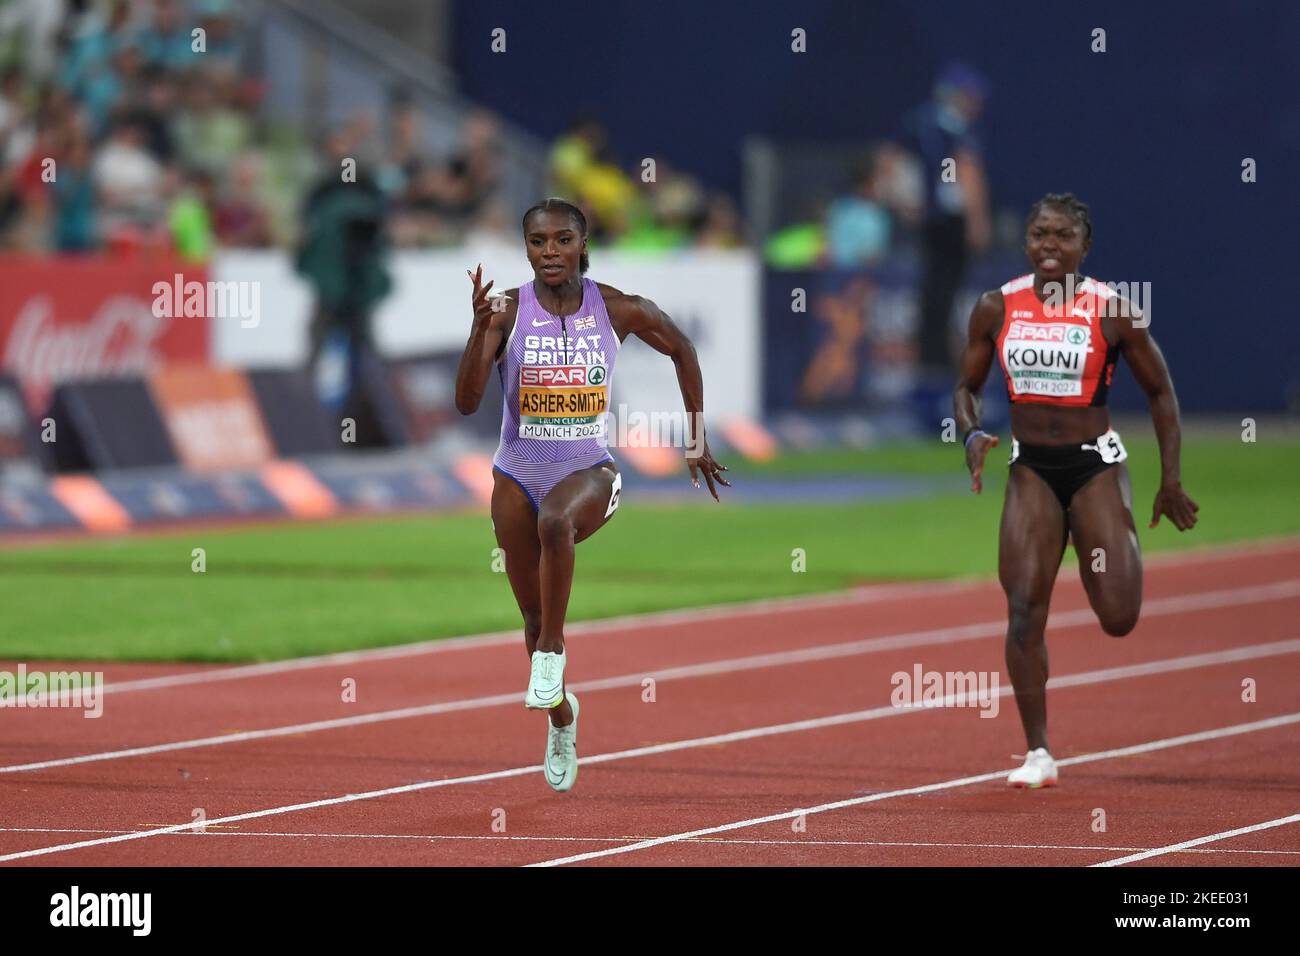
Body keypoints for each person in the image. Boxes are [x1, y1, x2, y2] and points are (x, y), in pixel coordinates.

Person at [454, 197, 729, 792]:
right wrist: (478, 332)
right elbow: (467, 403)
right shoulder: (505, 310)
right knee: (531, 617)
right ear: (526, 248)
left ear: (583, 244)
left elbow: (683, 349)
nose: (549, 252)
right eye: (537, 242)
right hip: (515, 472)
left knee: (557, 524)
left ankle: (553, 652)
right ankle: (562, 718)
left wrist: (695, 438)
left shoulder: (619, 308)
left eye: (562, 240)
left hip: (589, 469)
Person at [953, 193, 1198, 788]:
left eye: (1064, 236)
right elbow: (966, 387)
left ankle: (1098, 545)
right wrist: (971, 433)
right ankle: (1038, 751)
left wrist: (1170, 480)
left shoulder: (1113, 312)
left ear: (1085, 247)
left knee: (1118, 615)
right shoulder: (996, 307)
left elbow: (1161, 392)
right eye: (1040, 233)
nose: (1050, 246)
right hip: (1032, 469)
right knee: (1022, 609)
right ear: (1026, 241)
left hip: (1093, 468)